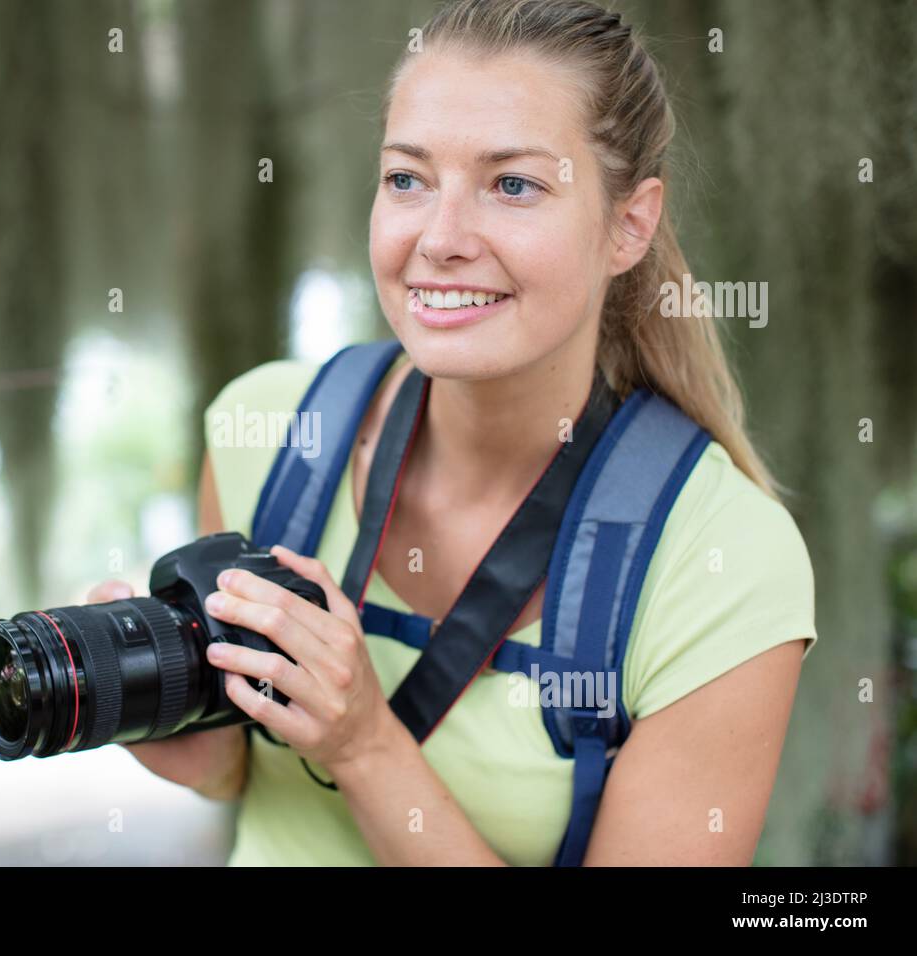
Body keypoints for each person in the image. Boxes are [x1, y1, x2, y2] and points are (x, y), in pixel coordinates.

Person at [88, 0, 816, 866]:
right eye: (407, 179)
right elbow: (258, 785)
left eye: (513, 184)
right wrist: (199, 747)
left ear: (630, 224)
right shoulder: (274, 433)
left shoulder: (723, 559)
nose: (440, 239)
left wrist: (362, 745)